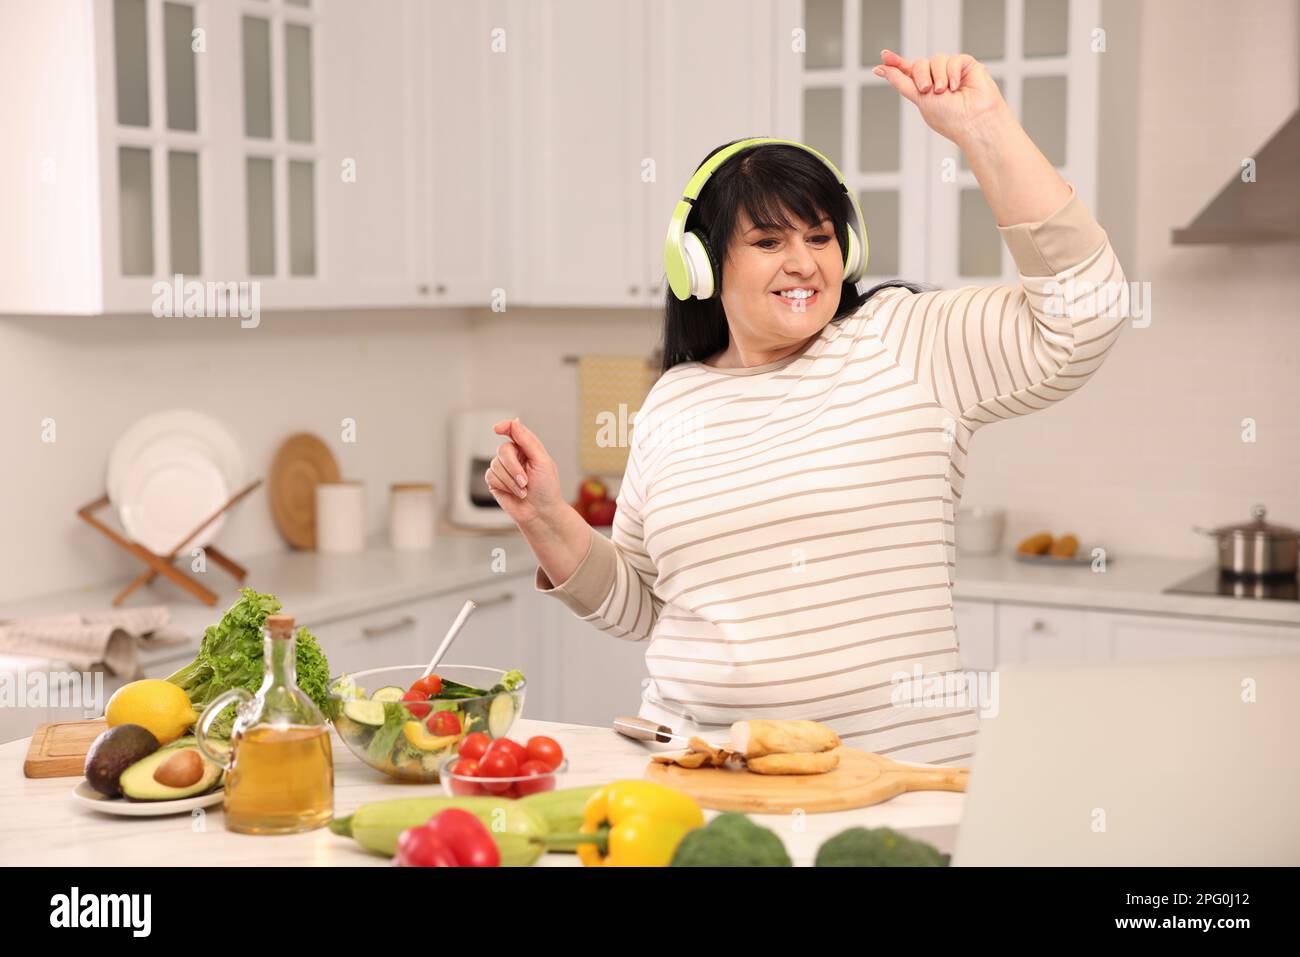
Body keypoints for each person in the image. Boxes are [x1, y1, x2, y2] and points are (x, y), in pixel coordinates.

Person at [485, 50, 1128, 765]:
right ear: (699, 265)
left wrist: (986, 130)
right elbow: (639, 605)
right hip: (705, 775)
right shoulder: (674, 398)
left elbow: (1086, 314)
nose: (804, 261)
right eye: (768, 241)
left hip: (895, 782)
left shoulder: (903, 340)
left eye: (820, 236)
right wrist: (545, 517)